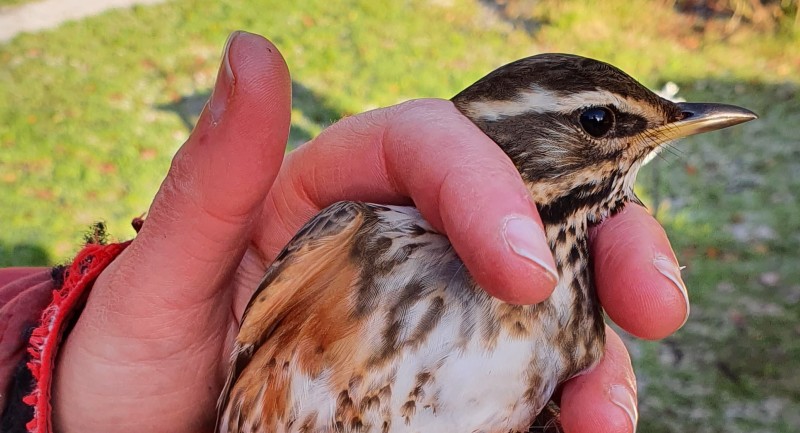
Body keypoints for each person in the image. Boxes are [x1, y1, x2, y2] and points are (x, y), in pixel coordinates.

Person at [0, 31, 689, 433]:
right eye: (598, 125)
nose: (621, 139)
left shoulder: (575, 322)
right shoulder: (353, 237)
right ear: (522, 139)